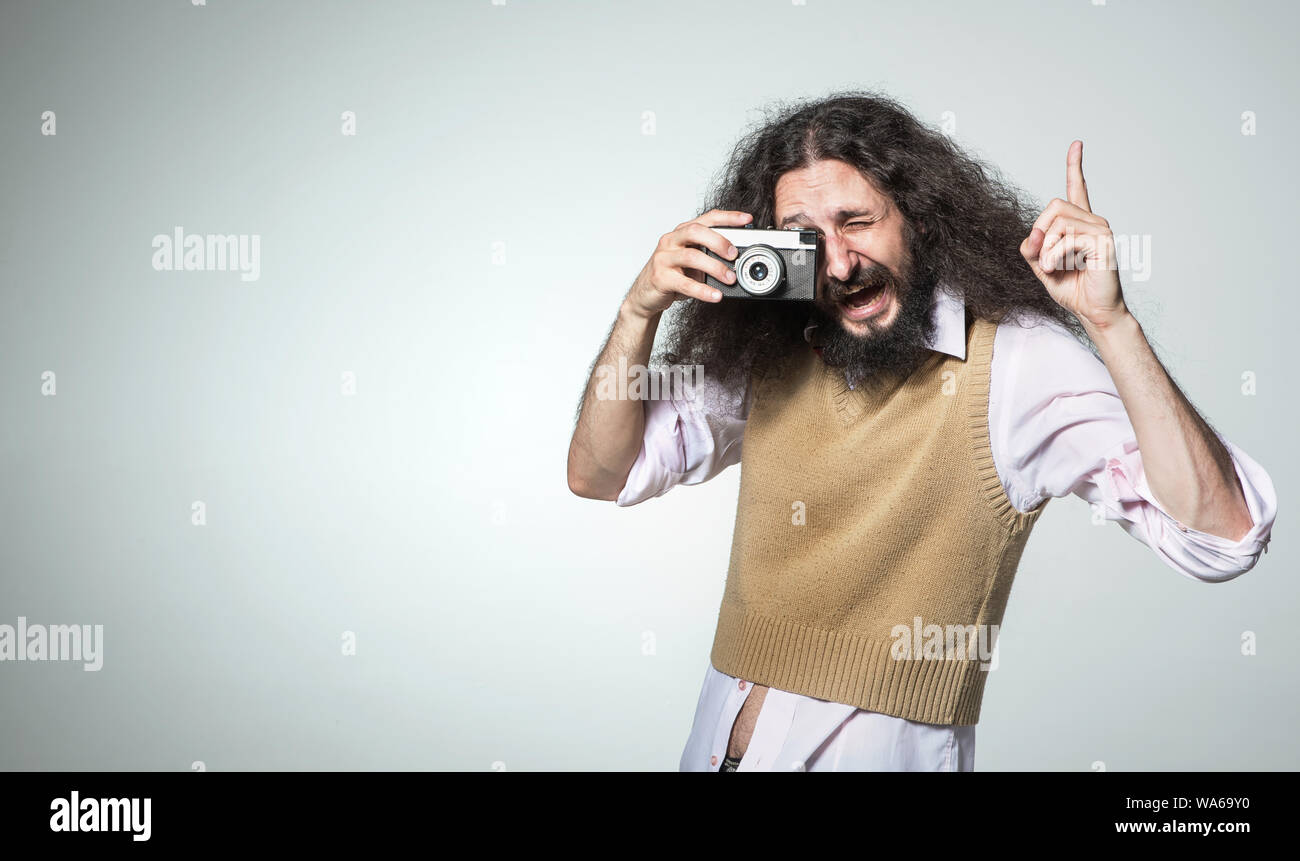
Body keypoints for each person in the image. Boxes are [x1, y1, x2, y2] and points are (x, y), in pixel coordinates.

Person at [565, 91, 1277, 772]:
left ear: (919, 216)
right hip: (715, 744)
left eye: (856, 220)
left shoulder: (1014, 364)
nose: (838, 262)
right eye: (806, 239)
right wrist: (638, 311)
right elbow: (601, 472)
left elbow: (1222, 534)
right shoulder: (770, 349)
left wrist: (1111, 325)